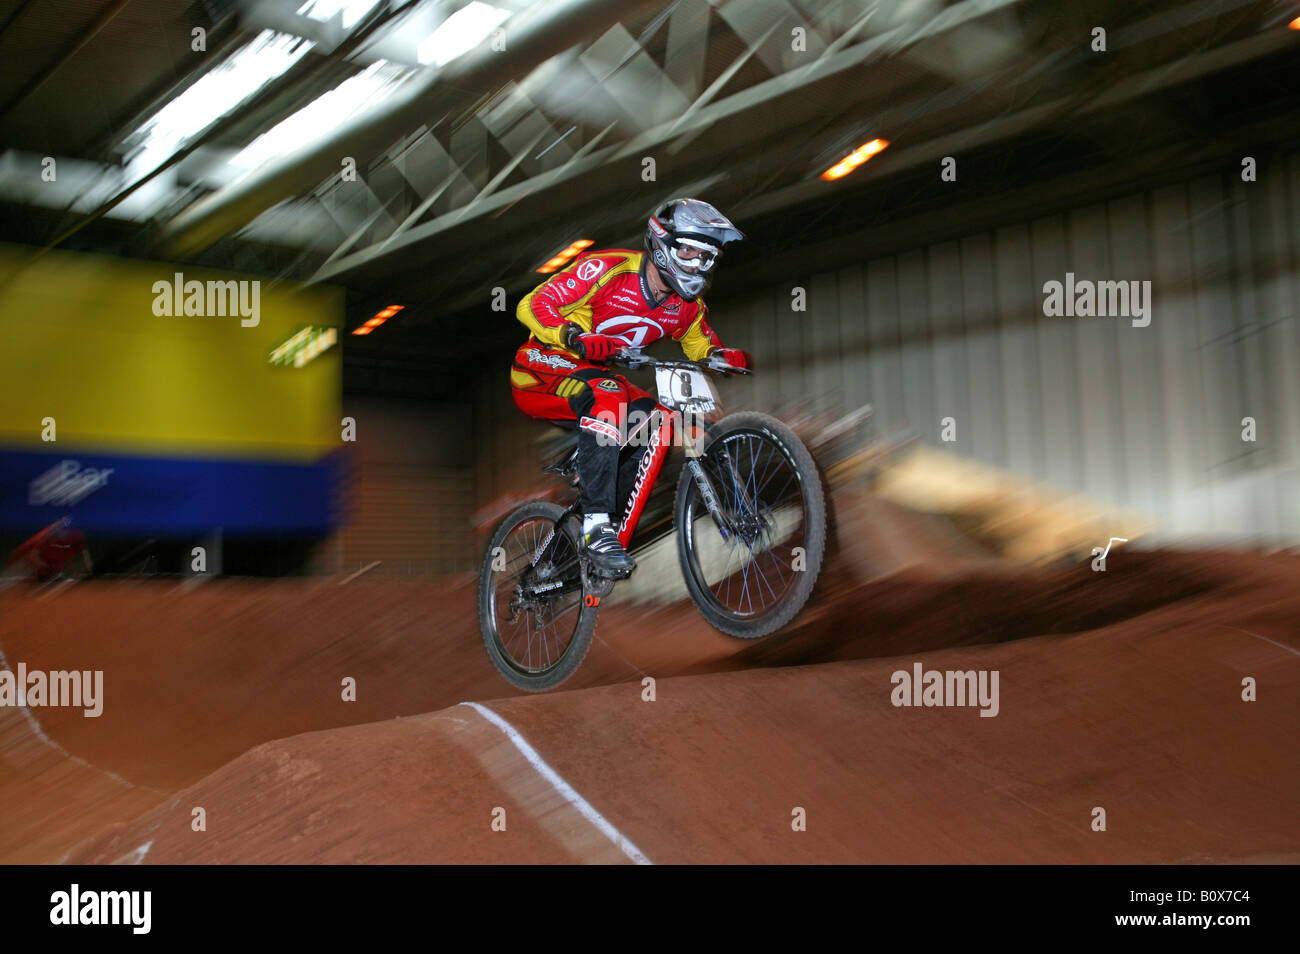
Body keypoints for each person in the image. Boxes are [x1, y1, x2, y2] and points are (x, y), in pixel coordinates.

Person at [510, 197, 751, 576]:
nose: (696, 265)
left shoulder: (685, 305)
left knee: (654, 423)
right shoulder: (607, 269)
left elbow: (697, 341)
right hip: (540, 368)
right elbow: (532, 304)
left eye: (705, 257)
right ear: (660, 244)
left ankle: (574, 554)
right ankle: (596, 527)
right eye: (688, 252)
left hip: (595, 376)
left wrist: (719, 355)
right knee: (608, 393)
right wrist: (572, 336)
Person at [5, 516, 91, 582]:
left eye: (66, 530)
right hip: (35, 570)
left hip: (54, 573)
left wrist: (88, 569)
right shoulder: (48, 537)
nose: (63, 532)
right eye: (60, 529)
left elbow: (84, 553)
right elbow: (32, 556)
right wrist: (48, 568)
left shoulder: (75, 535)